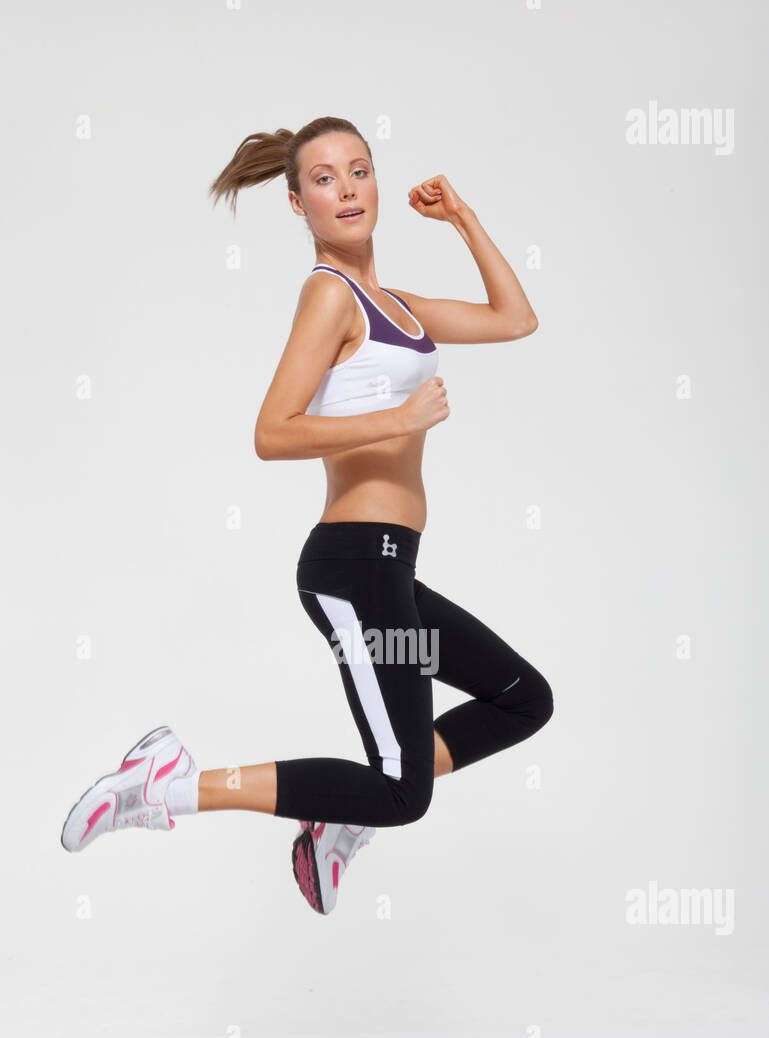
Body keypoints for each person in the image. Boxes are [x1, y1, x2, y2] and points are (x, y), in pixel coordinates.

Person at [61, 116, 554, 915]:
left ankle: (336, 812)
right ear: (297, 203)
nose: (347, 188)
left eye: (359, 170)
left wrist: (462, 217)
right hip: (350, 570)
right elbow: (271, 433)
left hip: (392, 573)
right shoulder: (327, 296)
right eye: (323, 178)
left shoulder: (395, 303)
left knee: (520, 698)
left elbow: (514, 319)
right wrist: (397, 420)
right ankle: (171, 786)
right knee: (403, 794)